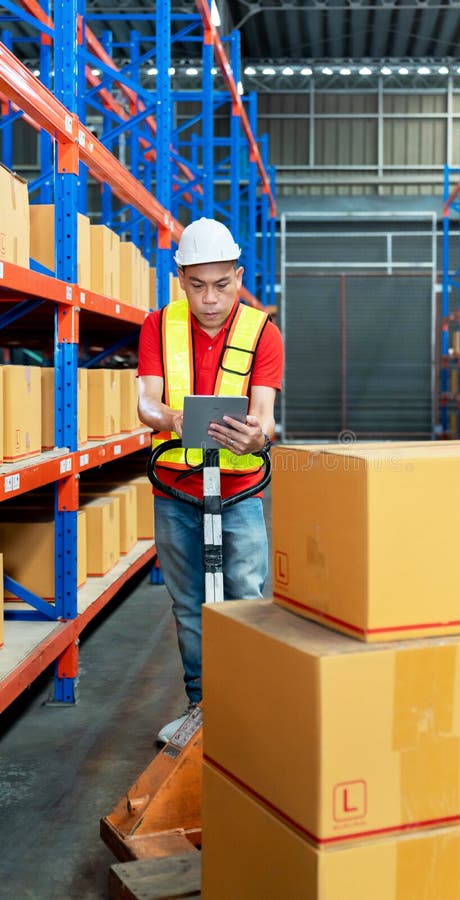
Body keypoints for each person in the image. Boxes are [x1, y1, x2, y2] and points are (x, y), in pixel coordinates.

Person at [137, 217, 284, 744]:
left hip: (240, 489)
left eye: (222, 284)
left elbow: (265, 415)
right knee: (189, 601)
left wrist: (256, 438)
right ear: (180, 280)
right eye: (197, 285)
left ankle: (249, 708)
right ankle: (201, 706)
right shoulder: (157, 326)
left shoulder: (263, 332)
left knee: (244, 594)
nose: (210, 299)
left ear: (238, 276)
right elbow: (146, 402)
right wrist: (173, 419)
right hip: (175, 486)